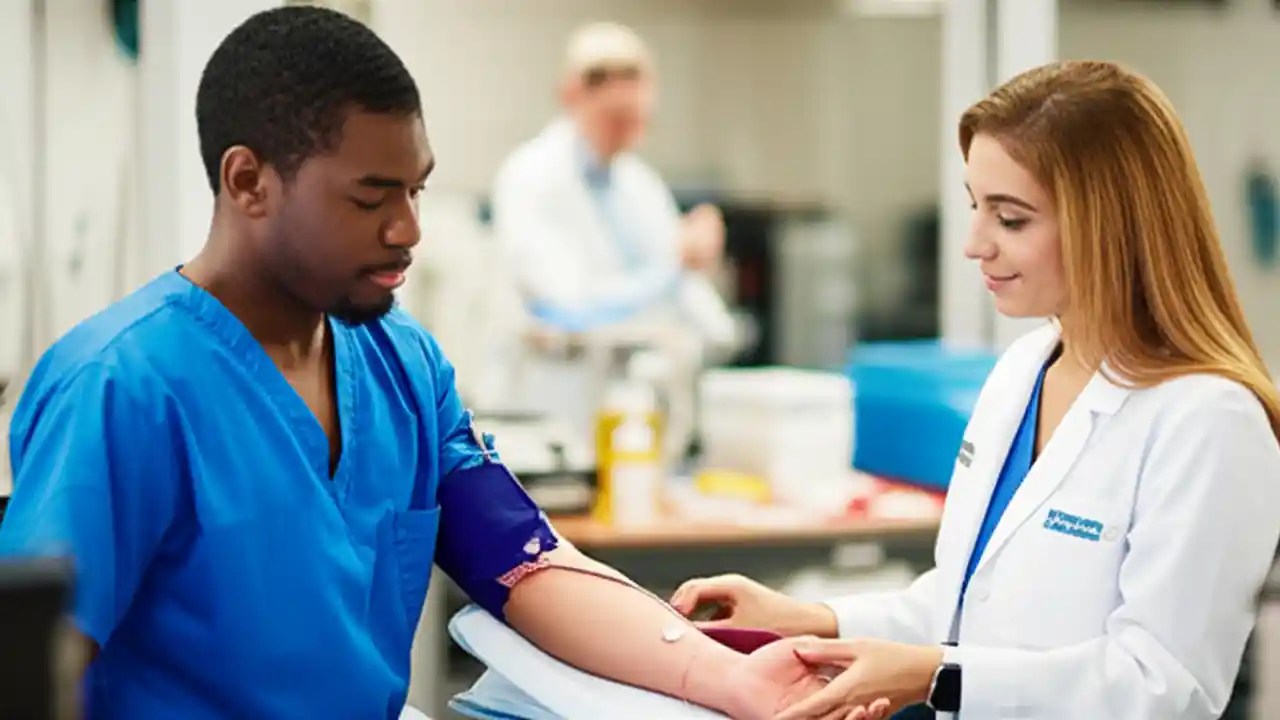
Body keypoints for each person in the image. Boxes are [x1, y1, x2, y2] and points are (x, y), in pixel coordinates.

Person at [0, 8, 829, 719]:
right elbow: (36, 671)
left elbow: (526, 565)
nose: (407, 229)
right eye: (370, 198)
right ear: (248, 181)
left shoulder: (402, 362)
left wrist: (730, 678)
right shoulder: (121, 388)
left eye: (416, 191)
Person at [669, 60, 1280, 719]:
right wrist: (811, 620)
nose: (974, 245)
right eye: (975, 207)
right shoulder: (1024, 370)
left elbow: (1164, 688)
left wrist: (936, 676)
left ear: (1111, 224)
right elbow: (964, 605)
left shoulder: (1209, 419)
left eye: (1011, 220)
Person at [490, 21, 736, 347]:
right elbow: (566, 306)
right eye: (617, 118)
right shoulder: (529, 177)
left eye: (637, 120)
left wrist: (721, 332)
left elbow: (683, 288)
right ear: (572, 94)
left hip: (625, 381)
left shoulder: (639, 183)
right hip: (552, 381)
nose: (628, 133)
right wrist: (674, 266)